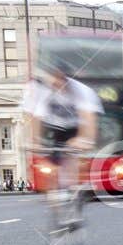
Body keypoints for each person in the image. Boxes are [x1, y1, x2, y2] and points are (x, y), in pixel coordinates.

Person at [22, 56, 102, 233]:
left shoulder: (81, 92)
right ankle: (59, 216)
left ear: (67, 80)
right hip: (55, 129)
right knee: (51, 172)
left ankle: (76, 199)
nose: (57, 84)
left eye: (61, 80)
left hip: (75, 127)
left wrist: (83, 140)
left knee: (71, 161)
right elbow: (35, 119)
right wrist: (34, 142)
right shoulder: (44, 91)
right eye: (54, 80)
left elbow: (89, 122)